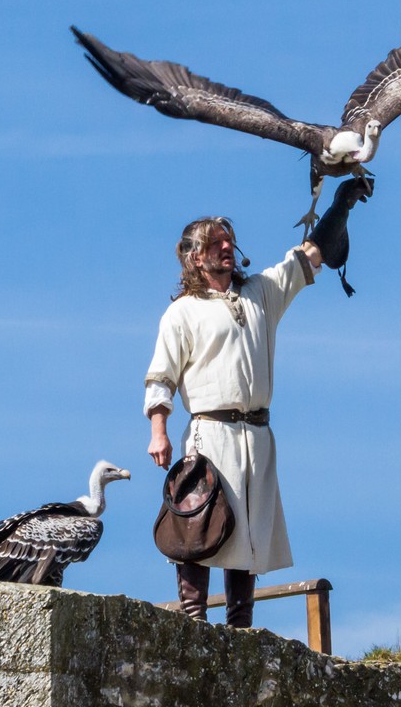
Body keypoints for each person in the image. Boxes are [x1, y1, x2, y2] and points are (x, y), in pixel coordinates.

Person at [143, 178, 372, 628]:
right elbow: (161, 376)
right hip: (210, 432)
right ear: (195, 257)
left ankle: (239, 625)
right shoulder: (183, 311)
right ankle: (193, 621)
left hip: (258, 434)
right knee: (200, 522)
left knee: (248, 530)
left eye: (229, 240)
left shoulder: (260, 294)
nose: (227, 247)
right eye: (216, 242)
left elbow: (308, 255)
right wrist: (159, 431)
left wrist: (343, 203)